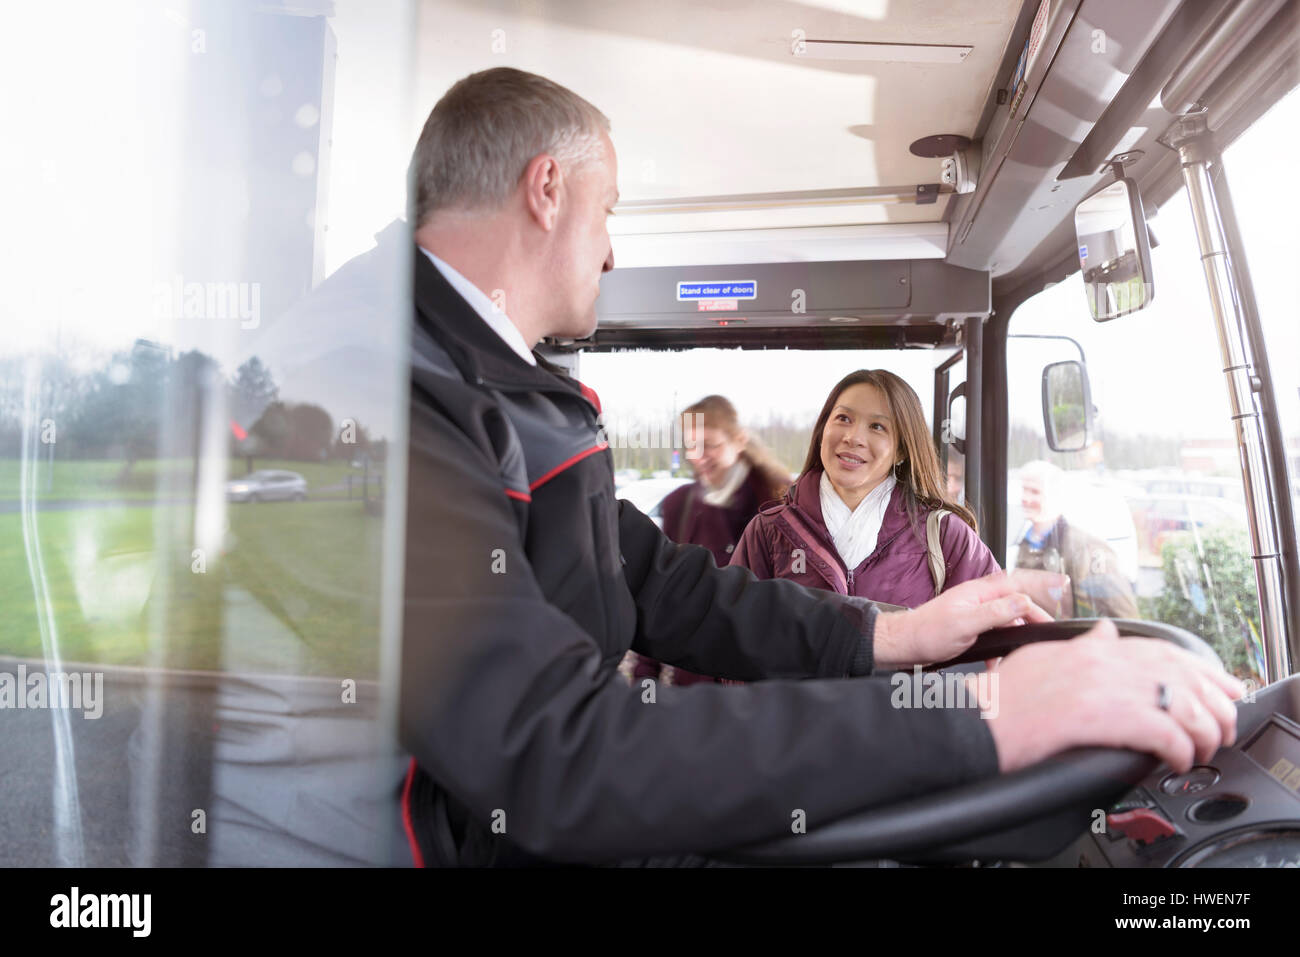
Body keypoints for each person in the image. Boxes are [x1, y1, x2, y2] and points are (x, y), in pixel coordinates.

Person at [400, 66, 1242, 867]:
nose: (613, 254)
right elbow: (558, 753)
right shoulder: (393, 400)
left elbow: (662, 587)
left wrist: (890, 633)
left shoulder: (509, 388)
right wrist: (983, 712)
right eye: (609, 212)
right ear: (547, 190)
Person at [730, 370, 1000, 607]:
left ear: (902, 451)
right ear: (823, 429)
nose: (853, 437)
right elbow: (729, 635)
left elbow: (996, 624)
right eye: (844, 419)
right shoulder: (768, 532)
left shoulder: (944, 536)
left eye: (877, 426)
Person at [624, 396, 790, 687]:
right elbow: (661, 595)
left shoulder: (778, 504)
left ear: (739, 441)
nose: (698, 456)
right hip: (693, 691)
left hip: (758, 689)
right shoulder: (680, 505)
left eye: (710, 445)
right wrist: (644, 678)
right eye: (691, 446)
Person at [1015, 460, 1139, 619]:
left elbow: (1123, 614)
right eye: (1024, 490)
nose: (1025, 498)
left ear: (1055, 496)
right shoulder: (1026, 543)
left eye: (1035, 492)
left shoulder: (1086, 548)